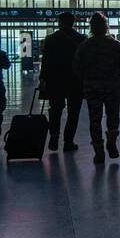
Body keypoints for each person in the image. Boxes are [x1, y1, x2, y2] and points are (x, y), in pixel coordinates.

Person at [73, 12, 120, 164]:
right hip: (112, 87)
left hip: (92, 87)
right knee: (113, 116)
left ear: (91, 27)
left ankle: (98, 151)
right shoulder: (115, 44)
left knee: (94, 119)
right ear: (105, 27)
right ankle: (112, 142)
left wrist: (84, 80)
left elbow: (76, 67)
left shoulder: (85, 45)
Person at [39, 12, 86, 152]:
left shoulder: (51, 39)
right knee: (73, 112)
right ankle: (68, 142)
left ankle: (54, 139)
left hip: (55, 81)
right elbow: (84, 61)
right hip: (75, 81)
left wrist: (43, 79)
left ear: (59, 22)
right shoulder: (81, 39)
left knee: (55, 111)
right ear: (73, 22)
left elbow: (45, 61)